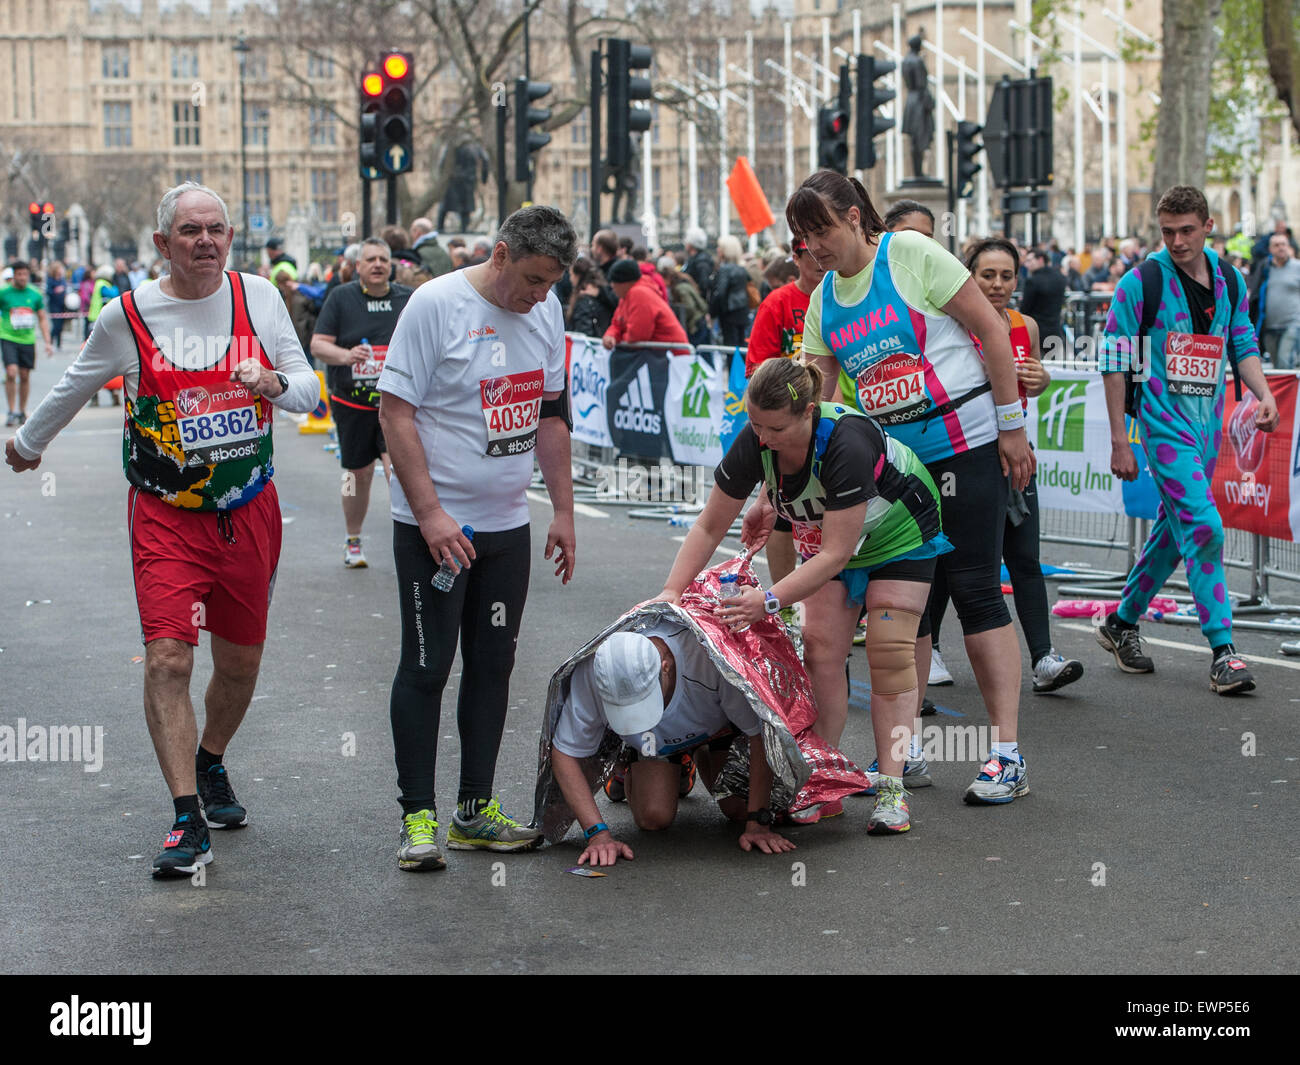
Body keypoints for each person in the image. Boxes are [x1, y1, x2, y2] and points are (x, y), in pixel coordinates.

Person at [4, 182, 319, 877]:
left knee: (238, 666)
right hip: (165, 518)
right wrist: (27, 443)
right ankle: (187, 819)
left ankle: (210, 761)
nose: (204, 240)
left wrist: (271, 381)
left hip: (246, 513)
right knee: (169, 659)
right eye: (188, 230)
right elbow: (76, 383)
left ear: (230, 238)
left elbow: (309, 389)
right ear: (161, 244)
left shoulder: (258, 298)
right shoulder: (127, 316)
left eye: (215, 228)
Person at [789, 168, 1036, 806]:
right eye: (801, 237)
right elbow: (818, 405)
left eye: (820, 230)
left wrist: (1012, 428)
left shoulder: (912, 255)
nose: (813, 247)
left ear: (852, 216)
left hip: (966, 445)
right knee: (906, 607)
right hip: (897, 471)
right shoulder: (822, 303)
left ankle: (1006, 756)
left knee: (978, 590)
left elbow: (991, 330)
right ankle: (906, 753)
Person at [656, 356, 952, 833]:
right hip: (837, 541)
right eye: (754, 424)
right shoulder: (759, 437)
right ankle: (822, 778)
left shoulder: (846, 442)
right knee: (820, 654)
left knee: (889, 651)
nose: (762, 438)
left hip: (900, 535)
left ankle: (893, 788)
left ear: (809, 412)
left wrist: (769, 601)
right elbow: (711, 523)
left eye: (774, 428)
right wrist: (671, 590)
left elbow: (834, 555)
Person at [377, 205, 578, 871]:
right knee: (429, 666)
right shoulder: (435, 305)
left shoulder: (547, 313)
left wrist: (563, 511)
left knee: (493, 665)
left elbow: (549, 417)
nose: (538, 295)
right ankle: (418, 817)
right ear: (498, 255)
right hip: (435, 530)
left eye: (551, 283)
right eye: (529, 279)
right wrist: (431, 513)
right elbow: (395, 413)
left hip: (504, 529)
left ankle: (474, 809)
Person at [1097, 185, 1277, 694]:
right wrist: (1119, 439)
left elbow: (1241, 341)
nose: (1177, 241)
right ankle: (1224, 651)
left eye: (1187, 231)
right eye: (1168, 231)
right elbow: (1112, 361)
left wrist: (1262, 395)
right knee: (1205, 527)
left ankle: (1121, 621)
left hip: (1206, 428)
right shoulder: (1141, 282)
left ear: (1208, 226)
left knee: (1176, 532)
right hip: (1161, 426)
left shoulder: (1230, 279)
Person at [928, 238, 1082, 693]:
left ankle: (1043, 659)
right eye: (987, 275)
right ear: (968, 277)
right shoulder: (951, 323)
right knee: (948, 561)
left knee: (1025, 557)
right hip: (966, 457)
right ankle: (930, 648)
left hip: (1016, 455)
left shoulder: (1026, 325)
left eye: (1006, 276)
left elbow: (1025, 383)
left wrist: (1042, 378)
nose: (997, 285)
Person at [551, 629, 796, 865]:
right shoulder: (593, 670)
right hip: (651, 742)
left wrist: (758, 822)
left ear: (665, 666)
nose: (638, 713)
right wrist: (597, 834)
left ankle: (696, 754)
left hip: (716, 725)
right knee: (653, 817)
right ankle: (631, 765)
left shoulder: (706, 656)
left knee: (738, 809)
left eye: (644, 702)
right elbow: (565, 752)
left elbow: (760, 734)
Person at [311, 237, 413, 568]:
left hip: (396, 404)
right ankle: (353, 540)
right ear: (358, 267)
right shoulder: (342, 297)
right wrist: (348, 355)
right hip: (352, 403)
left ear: (391, 265)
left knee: (398, 470)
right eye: (370, 260)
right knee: (358, 473)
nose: (378, 265)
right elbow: (318, 345)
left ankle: (412, 542)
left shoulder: (407, 299)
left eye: (383, 259)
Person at [2, 260, 54, 426]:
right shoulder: (4, 293)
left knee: (24, 375)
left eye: (25, 274)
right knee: (11, 373)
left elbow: (42, 318)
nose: (23, 278)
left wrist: (47, 341)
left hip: (28, 339)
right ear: (14, 275)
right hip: (8, 337)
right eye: (19, 274)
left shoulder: (35, 294)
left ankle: (21, 410)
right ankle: (11, 411)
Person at [601, 258, 689, 352]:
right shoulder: (627, 295)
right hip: (659, 355)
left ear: (624, 283)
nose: (612, 286)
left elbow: (637, 335)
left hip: (671, 356)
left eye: (614, 282)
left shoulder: (639, 294)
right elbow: (617, 323)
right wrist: (611, 335)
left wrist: (617, 339)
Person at [1253, 231, 1300, 369]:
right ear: (1270, 249)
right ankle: (1281, 391)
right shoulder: (1265, 269)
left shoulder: (1297, 267)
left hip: (1292, 324)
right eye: (1276, 245)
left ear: (1288, 246)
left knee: (1285, 362)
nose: (1281, 248)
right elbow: (1255, 294)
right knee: (1276, 366)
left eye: (1283, 244)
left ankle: (1287, 391)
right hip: (1269, 326)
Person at [1019, 247, 1068, 355]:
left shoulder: (1032, 281)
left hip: (1036, 331)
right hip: (1055, 329)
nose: (1027, 265)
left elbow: (1025, 308)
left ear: (1040, 260)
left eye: (1030, 261)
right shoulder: (1060, 277)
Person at [709, 235, 752, 348]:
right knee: (741, 347)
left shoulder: (724, 269)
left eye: (719, 247)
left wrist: (712, 313)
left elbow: (720, 294)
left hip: (729, 315)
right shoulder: (742, 268)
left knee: (730, 350)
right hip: (742, 312)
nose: (717, 250)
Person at [565, 256, 614, 338]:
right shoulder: (602, 293)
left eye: (571, 275)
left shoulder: (584, 299)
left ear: (578, 276)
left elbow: (583, 330)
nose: (570, 279)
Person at [683, 227, 716, 308]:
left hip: (697, 304)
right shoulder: (694, 259)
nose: (685, 243)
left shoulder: (702, 261)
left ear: (691, 244)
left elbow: (704, 285)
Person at [45, 261, 68, 351]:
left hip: (62, 304)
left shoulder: (62, 279)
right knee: (56, 325)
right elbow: (48, 291)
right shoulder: (51, 279)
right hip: (54, 305)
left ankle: (59, 344)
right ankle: (50, 342)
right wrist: (55, 291)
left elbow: (65, 288)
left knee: (61, 325)